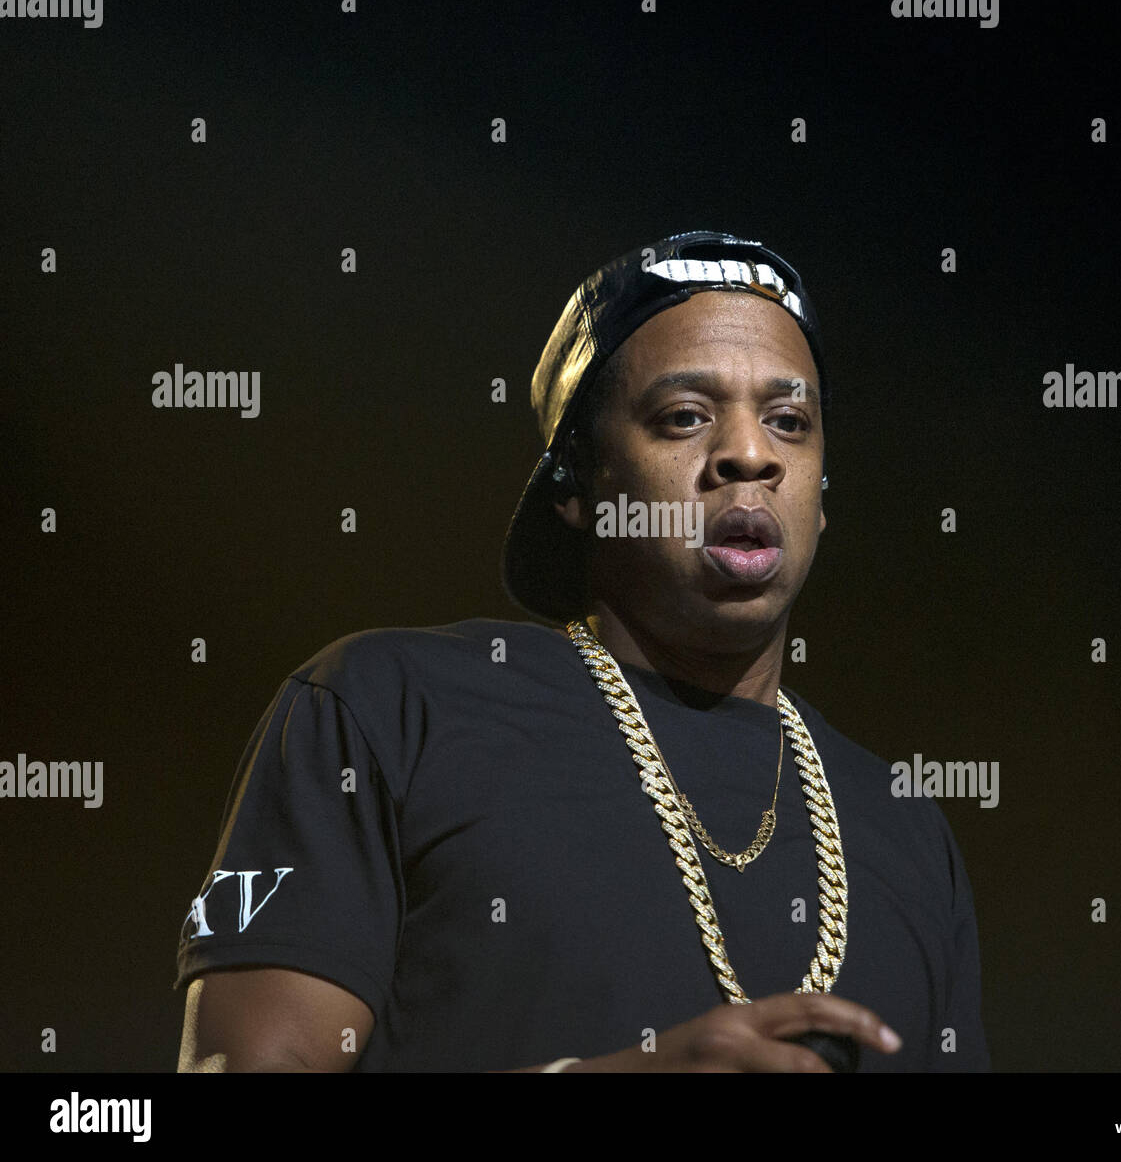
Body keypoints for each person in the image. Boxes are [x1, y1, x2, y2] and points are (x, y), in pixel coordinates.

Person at [174, 231, 990, 1073]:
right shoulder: (386, 707)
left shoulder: (908, 828)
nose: (751, 454)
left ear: (822, 499)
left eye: (790, 421)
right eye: (684, 416)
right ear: (576, 483)